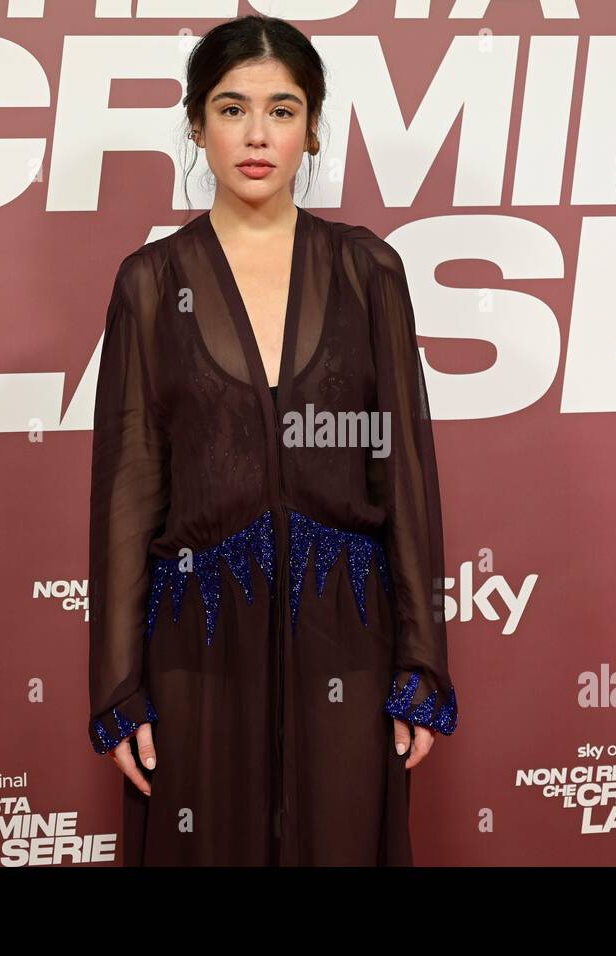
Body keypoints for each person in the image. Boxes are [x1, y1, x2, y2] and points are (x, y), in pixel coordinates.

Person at [87, 14, 458, 866]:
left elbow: (402, 471)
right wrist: (119, 688)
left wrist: (422, 667)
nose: (257, 135)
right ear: (196, 124)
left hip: (348, 639)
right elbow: (129, 488)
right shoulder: (150, 285)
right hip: (197, 647)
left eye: (282, 110)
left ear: (313, 126)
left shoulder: (369, 272)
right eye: (231, 108)